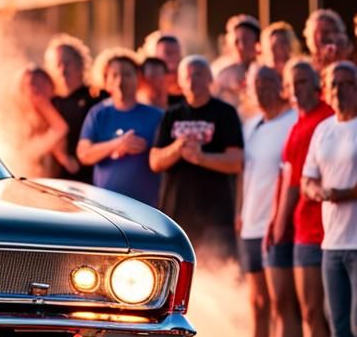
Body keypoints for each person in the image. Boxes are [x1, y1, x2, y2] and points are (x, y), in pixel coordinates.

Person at [301, 62, 357, 337]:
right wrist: (317, 192)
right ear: (326, 89)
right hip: (332, 242)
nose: (341, 90)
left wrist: (347, 193)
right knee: (338, 324)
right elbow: (307, 179)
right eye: (335, 84)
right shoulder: (324, 129)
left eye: (347, 83)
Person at [266, 59, 335, 337]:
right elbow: (285, 176)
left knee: (315, 310)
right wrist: (275, 219)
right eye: (292, 83)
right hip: (298, 225)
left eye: (304, 81)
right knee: (300, 308)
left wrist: (280, 223)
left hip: (318, 227)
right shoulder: (297, 123)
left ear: (317, 84)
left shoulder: (324, 118)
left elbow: (299, 181)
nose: (297, 89)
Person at [230, 65, 299, 337]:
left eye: (268, 82)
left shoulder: (291, 122)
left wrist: (280, 218)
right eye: (256, 84)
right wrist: (240, 210)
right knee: (257, 303)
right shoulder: (251, 125)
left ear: (280, 86)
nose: (262, 89)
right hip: (251, 224)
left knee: (282, 302)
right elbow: (245, 173)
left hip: (276, 225)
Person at [150, 56, 244, 261]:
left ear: (210, 78)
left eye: (198, 74)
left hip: (216, 217)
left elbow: (236, 162)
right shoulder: (171, 115)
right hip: (176, 216)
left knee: (220, 273)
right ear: (180, 82)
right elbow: (155, 162)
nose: (192, 81)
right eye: (187, 76)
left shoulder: (226, 113)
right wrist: (178, 148)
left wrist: (201, 157)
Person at [77, 52, 163, 205]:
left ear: (138, 77)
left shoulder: (157, 116)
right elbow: (83, 154)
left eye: (127, 74)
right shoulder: (98, 113)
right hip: (105, 206)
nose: (120, 81)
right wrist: (118, 144)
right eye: (114, 75)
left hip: (146, 207)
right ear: (106, 80)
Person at [43, 34, 102, 184]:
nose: (62, 70)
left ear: (80, 63)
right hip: (56, 183)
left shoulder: (97, 98)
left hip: (91, 182)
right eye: (58, 65)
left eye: (67, 63)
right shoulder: (51, 103)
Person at [17, 66, 71, 177]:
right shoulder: (20, 121)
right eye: (31, 84)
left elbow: (72, 166)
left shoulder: (65, 111)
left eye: (42, 84)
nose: (36, 89)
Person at [211, 14, 261, 113]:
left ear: (257, 42)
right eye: (236, 41)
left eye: (245, 40)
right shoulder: (220, 70)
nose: (240, 46)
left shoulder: (264, 69)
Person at [142, 32, 185, 105]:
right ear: (155, 54)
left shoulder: (186, 79)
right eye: (167, 53)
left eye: (176, 53)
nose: (173, 57)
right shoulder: (143, 79)